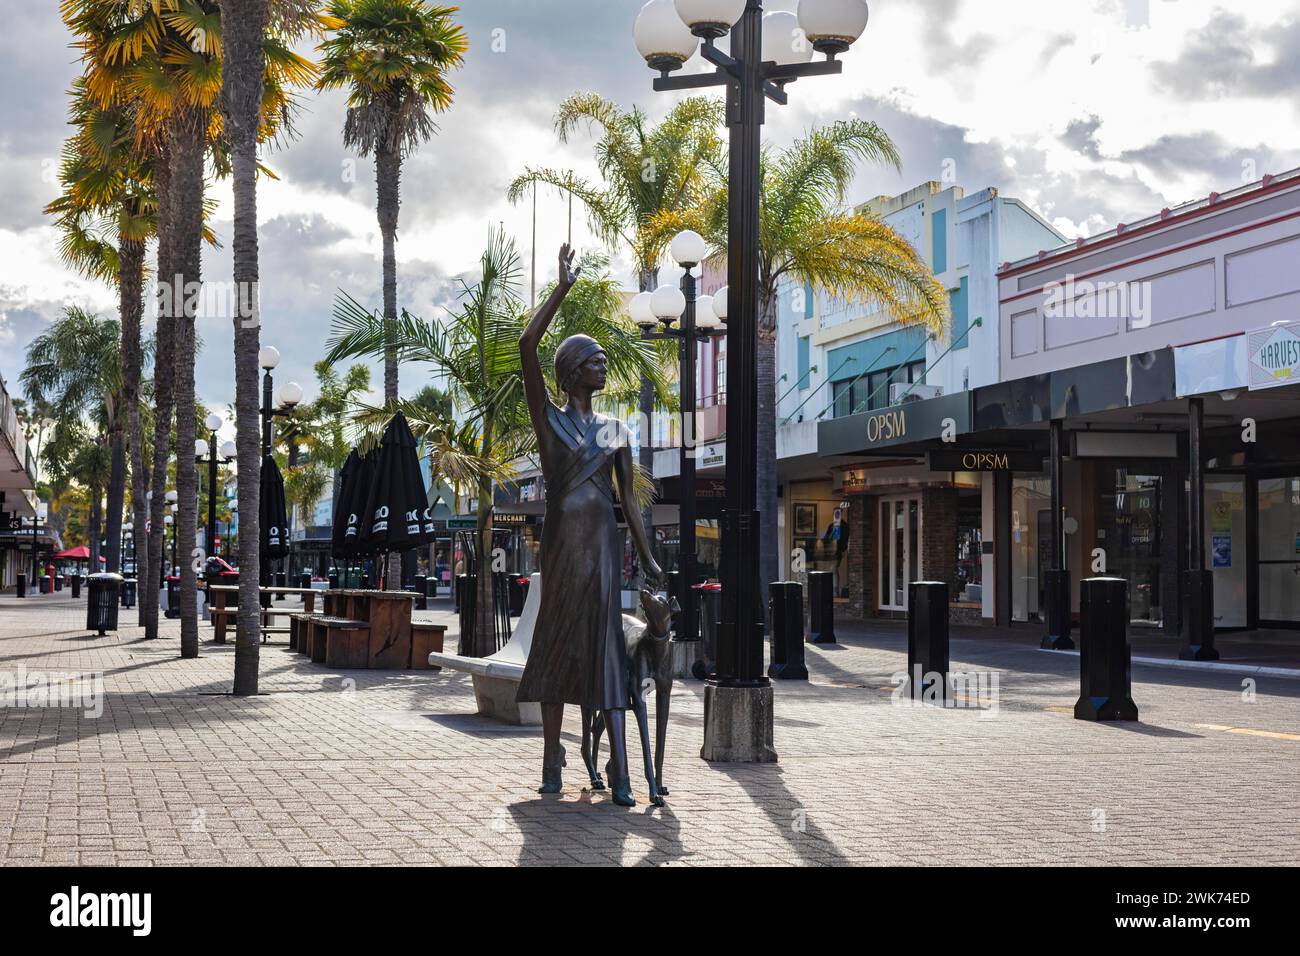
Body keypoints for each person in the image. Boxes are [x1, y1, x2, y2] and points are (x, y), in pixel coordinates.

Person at [515, 244, 663, 807]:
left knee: (603, 652)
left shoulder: (617, 430)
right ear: (573, 372)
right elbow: (528, 345)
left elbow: (630, 504)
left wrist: (648, 561)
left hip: (603, 550)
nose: (604, 366)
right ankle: (553, 757)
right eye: (595, 360)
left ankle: (621, 772)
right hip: (561, 549)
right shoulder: (549, 419)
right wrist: (560, 290)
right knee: (556, 646)